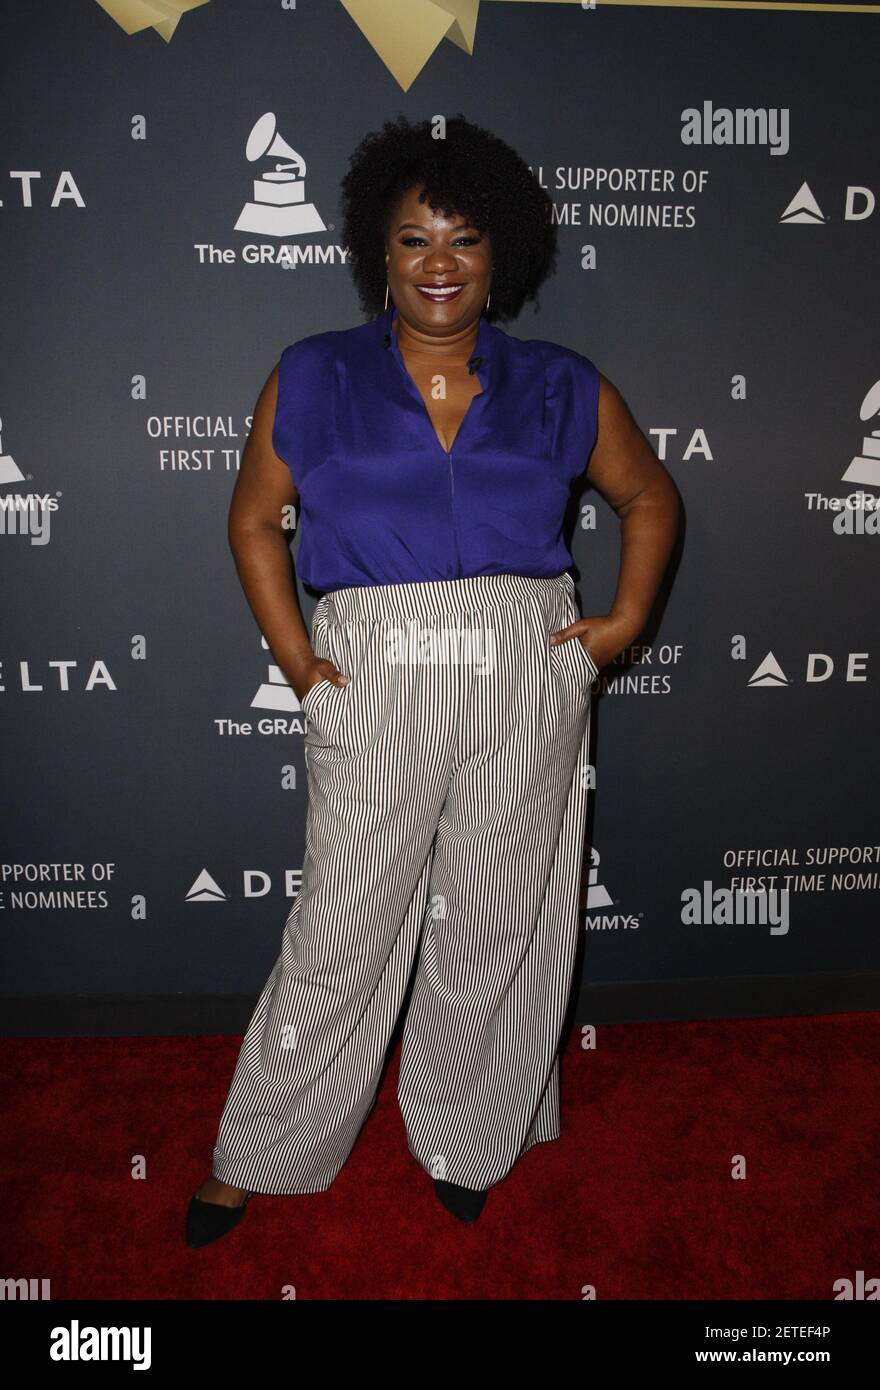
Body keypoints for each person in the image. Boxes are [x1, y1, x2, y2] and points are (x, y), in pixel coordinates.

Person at [185, 114, 681, 1248]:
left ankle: (468, 1128)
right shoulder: (311, 374)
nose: (440, 261)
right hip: (376, 667)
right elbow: (255, 522)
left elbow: (650, 498)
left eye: (461, 237)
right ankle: (260, 1143)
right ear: (378, 252)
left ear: (499, 249)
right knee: (342, 926)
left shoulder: (559, 383)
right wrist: (303, 665)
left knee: (496, 917)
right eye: (413, 239)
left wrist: (621, 626)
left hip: (527, 669)